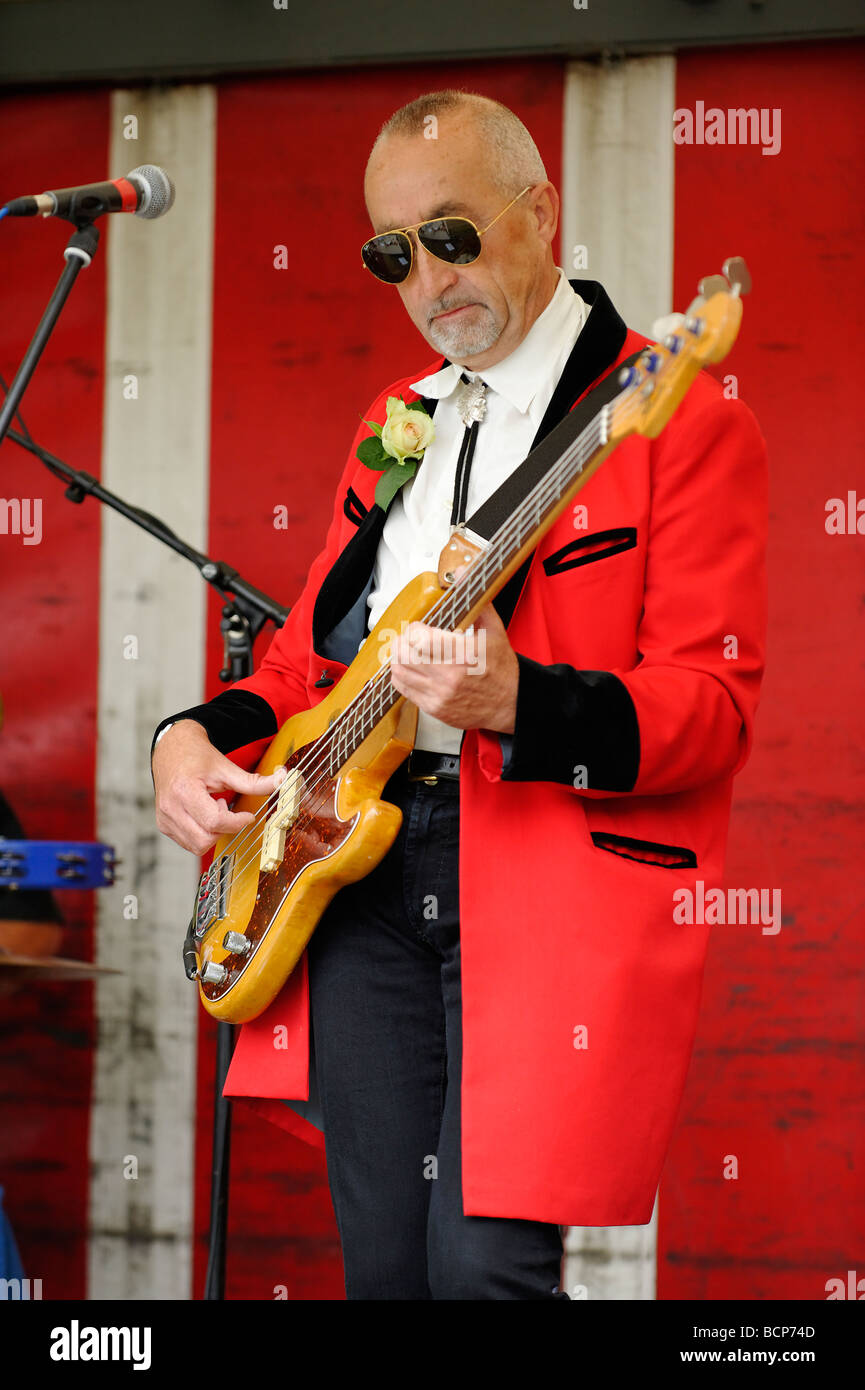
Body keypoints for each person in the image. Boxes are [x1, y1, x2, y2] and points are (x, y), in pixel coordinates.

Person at [151, 89, 768, 1300]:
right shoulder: (395, 426)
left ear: (541, 213)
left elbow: (713, 706)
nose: (427, 280)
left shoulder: (674, 416)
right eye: (394, 252)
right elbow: (299, 668)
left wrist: (516, 703)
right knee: (384, 1270)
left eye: (453, 233)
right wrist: (185, 738)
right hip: (358, 870)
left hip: (541, 880)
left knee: (482, 1270)